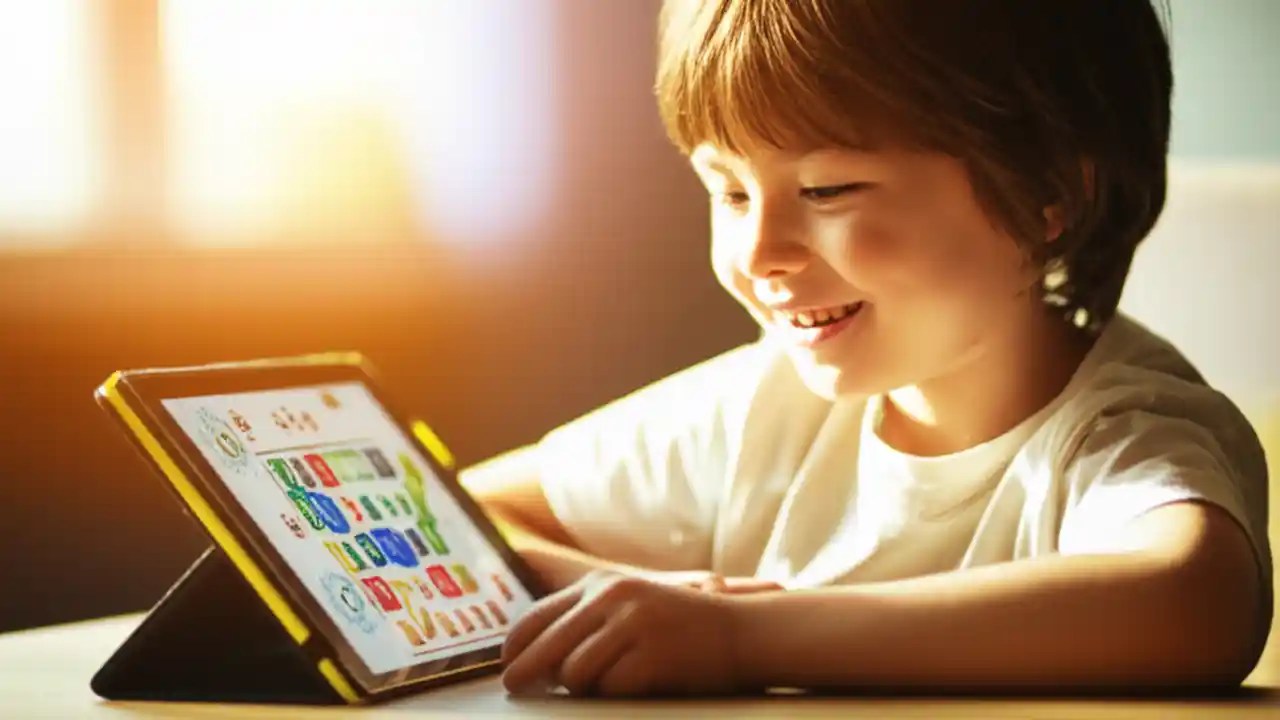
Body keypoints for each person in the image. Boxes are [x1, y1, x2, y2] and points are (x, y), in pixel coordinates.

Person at [463, 0, 1271, 696]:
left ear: (1047, 192)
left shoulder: (1115, 431)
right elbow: (465, 513)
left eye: (827, 190)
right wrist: (636, 603)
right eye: (730, 191)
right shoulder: (762, 409)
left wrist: (743, 637)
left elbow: (1197, 601)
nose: (758, 252)